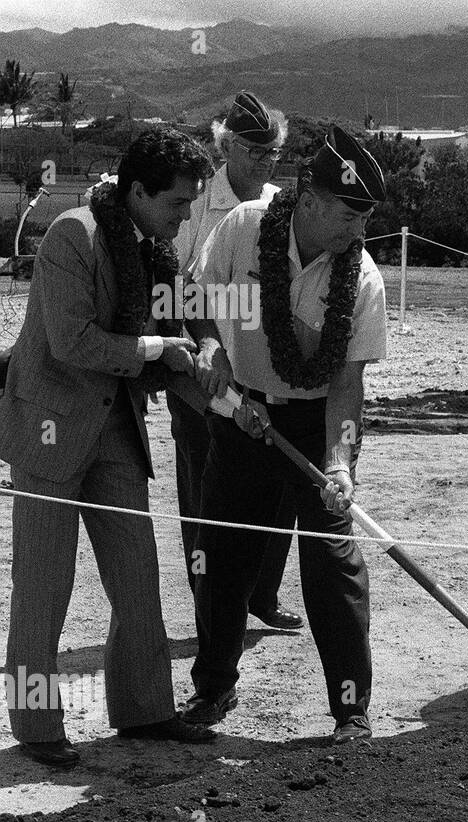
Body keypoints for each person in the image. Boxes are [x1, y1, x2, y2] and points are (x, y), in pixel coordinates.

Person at [0, 128, 218, 768]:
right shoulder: (73, 235)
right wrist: (157, 350)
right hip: (50, 432)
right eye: (178, 203)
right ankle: (36, 727)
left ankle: (146, 711)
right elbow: (72, 343)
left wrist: (223, 397)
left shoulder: (156, 253)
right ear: (139, 191)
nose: (184, 218)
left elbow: (181, 341)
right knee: (43, 587)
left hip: (116, 432)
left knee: (137, 576)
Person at [179, 126, 388, 744]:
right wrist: (213, 348)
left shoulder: (363, 278)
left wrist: (341, 465)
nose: (359, 231)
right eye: (351, 214)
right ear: (311, 199)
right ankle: (212, 688)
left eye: (366, 218)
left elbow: (348, 387)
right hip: (241, 415)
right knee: (221, 557)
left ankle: (351, 710)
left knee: (332, 564)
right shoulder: (244, 227)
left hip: (314, 423)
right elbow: (199, 302)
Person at [170, 91, 303, 631]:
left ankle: (262, 596)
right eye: (253, 149)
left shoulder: (279, 205)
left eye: (273, 150)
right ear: (227, 147)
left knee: (278, 482)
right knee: (204, 484)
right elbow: (177, 284)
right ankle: (208, 597)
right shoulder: (196, 205)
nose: (265, 160)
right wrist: (204, 345)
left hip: (265, 369)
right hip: (203, 367)